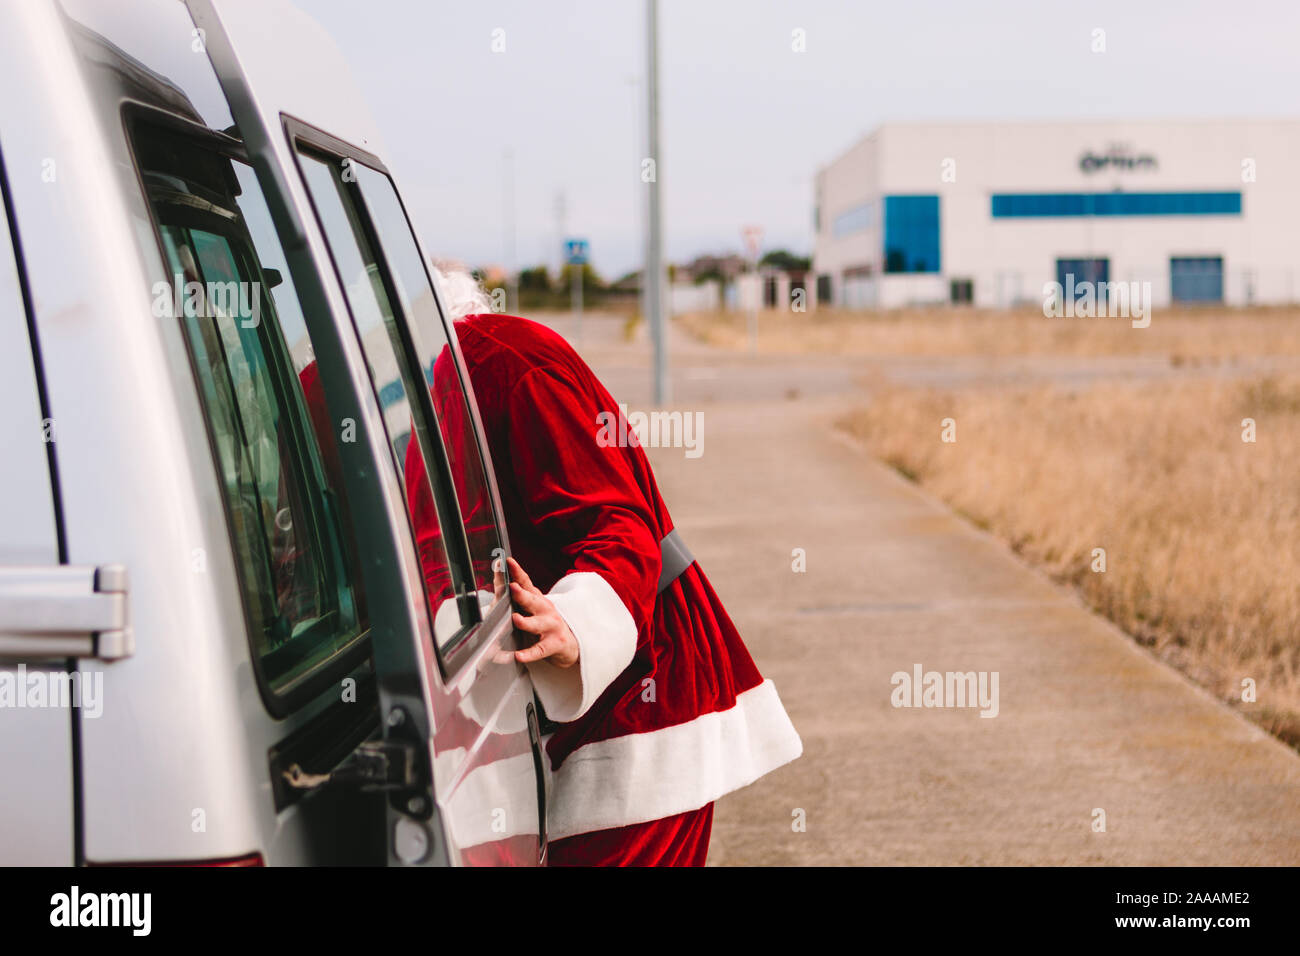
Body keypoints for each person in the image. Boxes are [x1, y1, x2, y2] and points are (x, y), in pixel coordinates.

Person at [426, 265, 802, 866]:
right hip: (552, 705)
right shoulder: (429, 378)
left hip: (646, 691)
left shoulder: (507, 362)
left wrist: (577, 624)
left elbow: (617, 525)